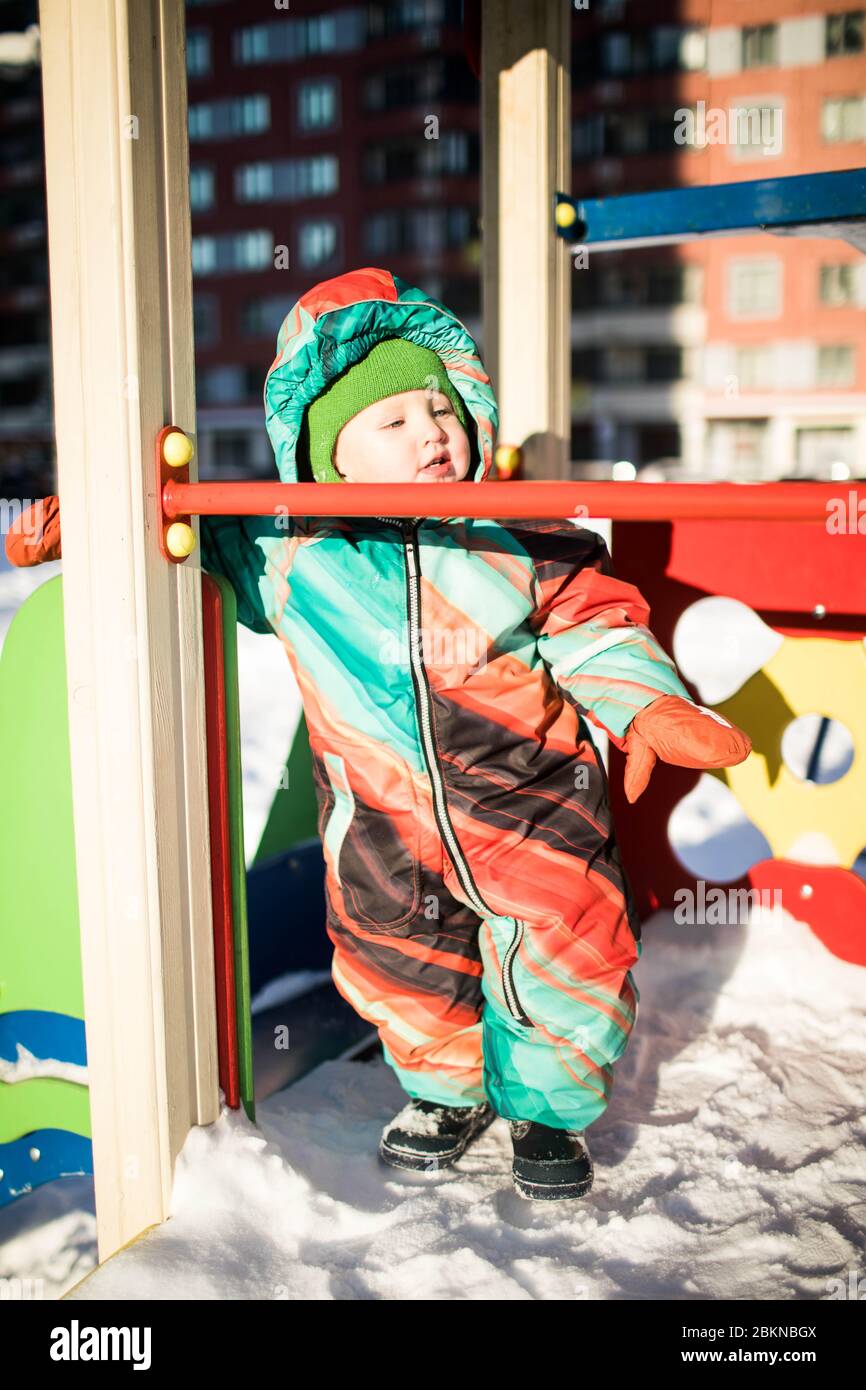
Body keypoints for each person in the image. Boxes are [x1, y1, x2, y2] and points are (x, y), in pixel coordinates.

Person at [5, 267, 750, 1201]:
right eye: (391, 422)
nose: (430, 431)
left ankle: (547, 1112)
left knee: (570, 949)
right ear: (330, 458)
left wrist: (645, 704)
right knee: (397, 959)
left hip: (535, 803)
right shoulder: (287, 550)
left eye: (439, 408)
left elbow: (594, 620)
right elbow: (174, 535)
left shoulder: (513, 533)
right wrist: (85, 526)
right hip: (379, 824)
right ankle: (445, 1091)